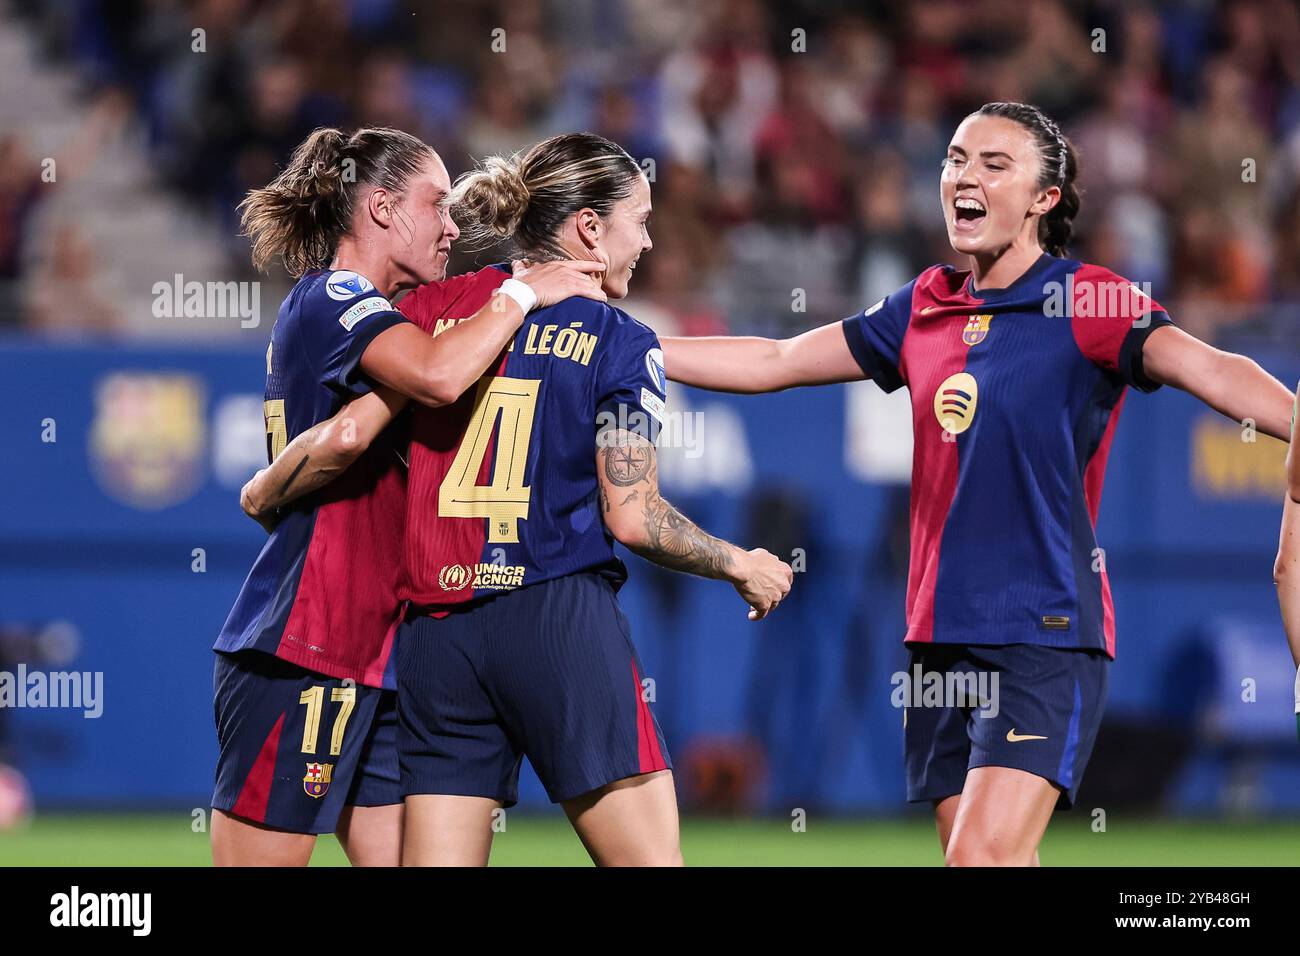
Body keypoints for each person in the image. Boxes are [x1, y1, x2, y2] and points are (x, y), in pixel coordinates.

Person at [656, 102, 1295, 865]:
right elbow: (777, 361)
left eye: (995, 165)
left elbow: (1211, 365)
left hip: (1042, 631)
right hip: (937, 635)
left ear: (1044, 198)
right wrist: (633, 346)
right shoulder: (925, 303)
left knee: (978, 858)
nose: (965, 175)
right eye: (957, 159)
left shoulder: (1087, 300)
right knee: (991, 858)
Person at [245, 132, 793, 866]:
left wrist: (264, 486)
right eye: (641, 220)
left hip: (438, 633)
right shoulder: (620, 342)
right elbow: (632, 515)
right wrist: (738, 563)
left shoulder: (433, 313)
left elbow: (352, 428)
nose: (650, 241)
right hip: (558, 618)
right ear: (591, 229)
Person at [213, 125, 603, 866]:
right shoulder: (333, 296)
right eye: (436, 205)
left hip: (388, 651)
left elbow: (350, 432)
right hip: (307, 640)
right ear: (384, 208)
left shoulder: (401, 314)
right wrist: (522, 290)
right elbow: (436, 377)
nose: (453, 226)